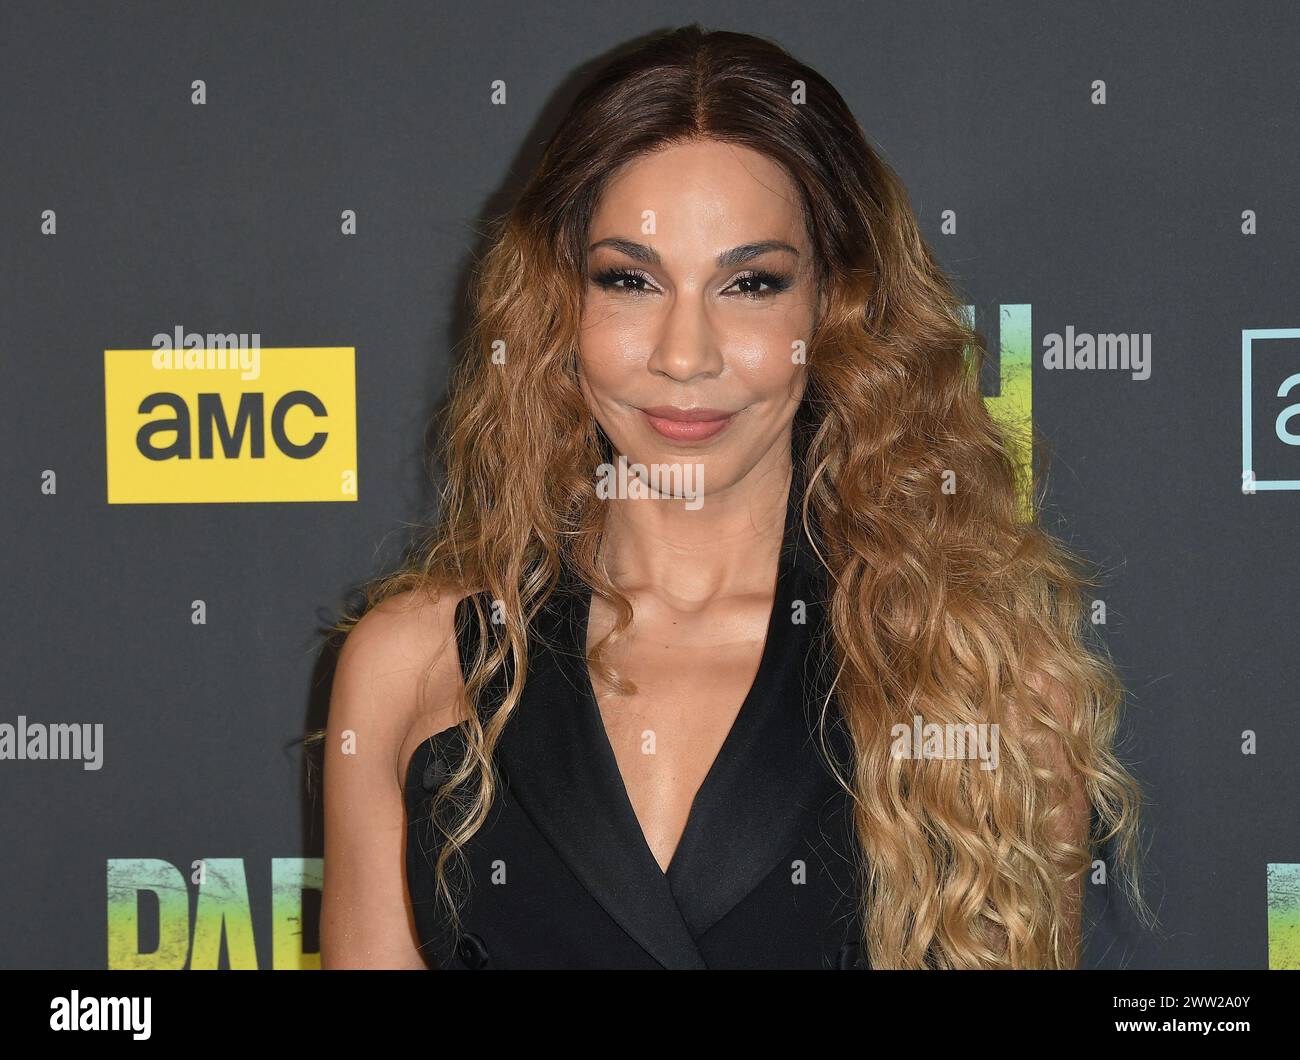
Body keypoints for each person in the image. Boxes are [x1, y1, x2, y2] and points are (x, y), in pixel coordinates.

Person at [317, 24, 1149, 970]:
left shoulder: (980, 677)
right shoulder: (414, 667)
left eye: (750, 284)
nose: (685, 355)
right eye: (629, 280)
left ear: (834, 307)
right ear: (559, 307)